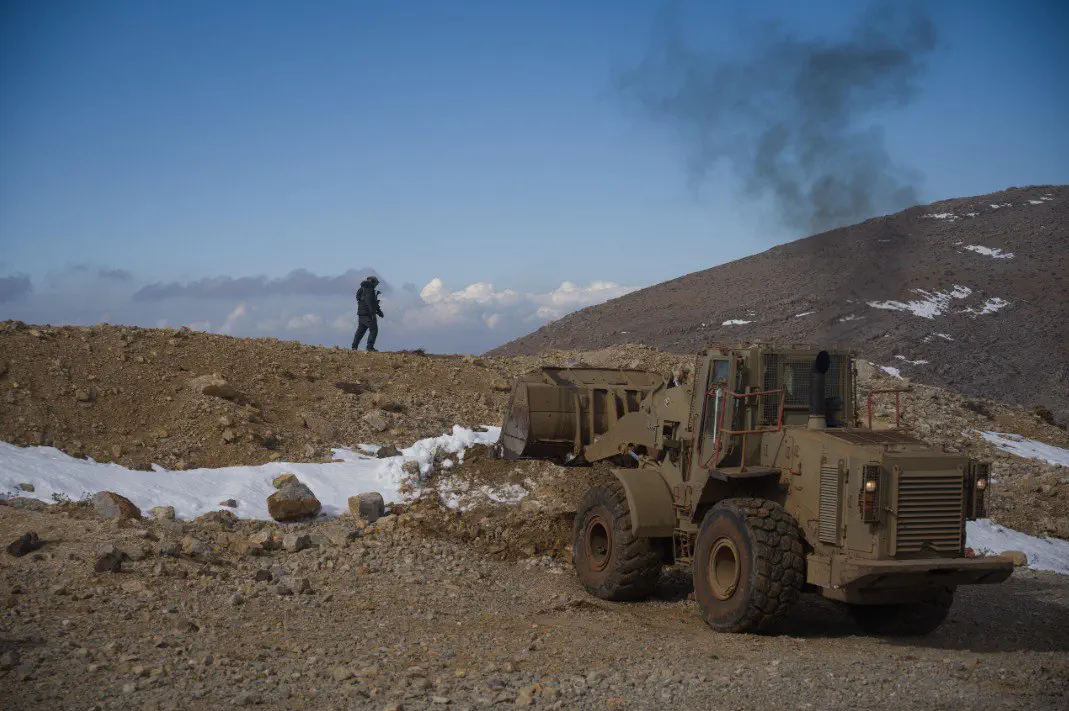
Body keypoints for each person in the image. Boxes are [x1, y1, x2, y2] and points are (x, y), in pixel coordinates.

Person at [351, 276, 384, 351]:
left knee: (360, 331)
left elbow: (359, 298)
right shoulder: (369, 289)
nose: (376, 285)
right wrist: (374, 313)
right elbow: (371, 303)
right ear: (372, 281)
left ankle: (354, 347)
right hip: (368, 314)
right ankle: (369, 347)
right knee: (374, 329)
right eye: (376, 283)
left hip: (361, 314)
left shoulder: (362, 288)